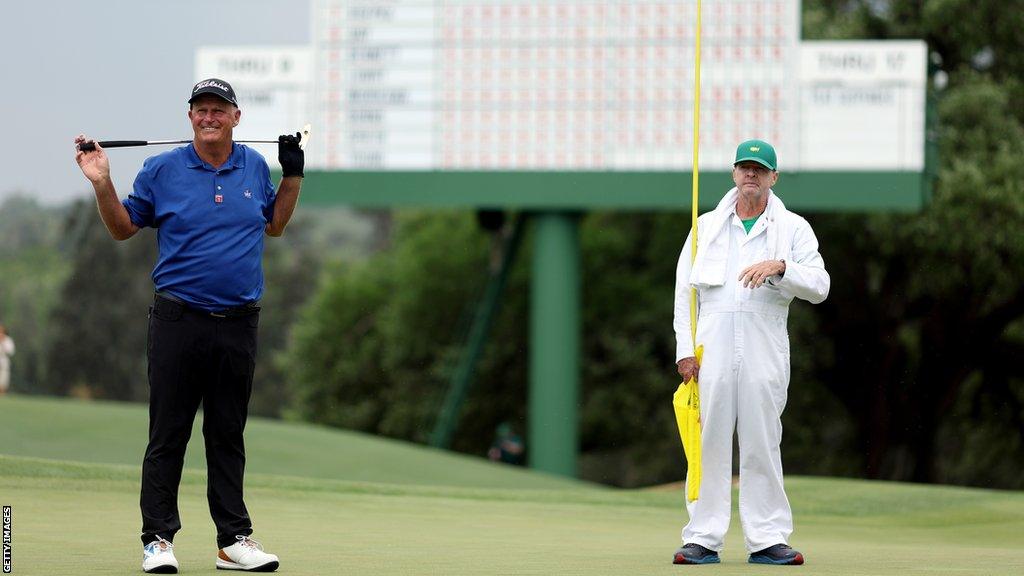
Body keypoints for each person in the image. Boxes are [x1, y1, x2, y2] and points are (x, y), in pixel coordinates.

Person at [74, 78, 304, 574]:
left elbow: (276, 224)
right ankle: (157, 540)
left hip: (239, 322)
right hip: (178, 320)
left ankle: (233, 541)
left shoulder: (255, 168)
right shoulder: (162, 169)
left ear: (236, 118)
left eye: (218, 109)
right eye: (200, 109)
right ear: (190, 117)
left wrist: (293, 176)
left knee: (227, 434)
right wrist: (101, 182)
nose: (208, 117)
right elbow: (122, 228)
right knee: (169, 433)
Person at [671, 140, 829, 566]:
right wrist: (685, 350)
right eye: (744, 167)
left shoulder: (793, 228)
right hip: (712, 348)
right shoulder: (704, 225)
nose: (751, 175)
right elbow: (684, 294)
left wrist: (781, 268)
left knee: (762, 440)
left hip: (765, 344)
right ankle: (702, 538)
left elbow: (819, 285)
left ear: (773, 177)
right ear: (734, 173)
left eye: (760, 169)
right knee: (709, 441)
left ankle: (767, 538)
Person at [0, 323, 14, 396]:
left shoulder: (8, 340)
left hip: (4, 361)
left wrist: (2, 343)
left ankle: (2, 395)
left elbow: (10, 351)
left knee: (3, 380)